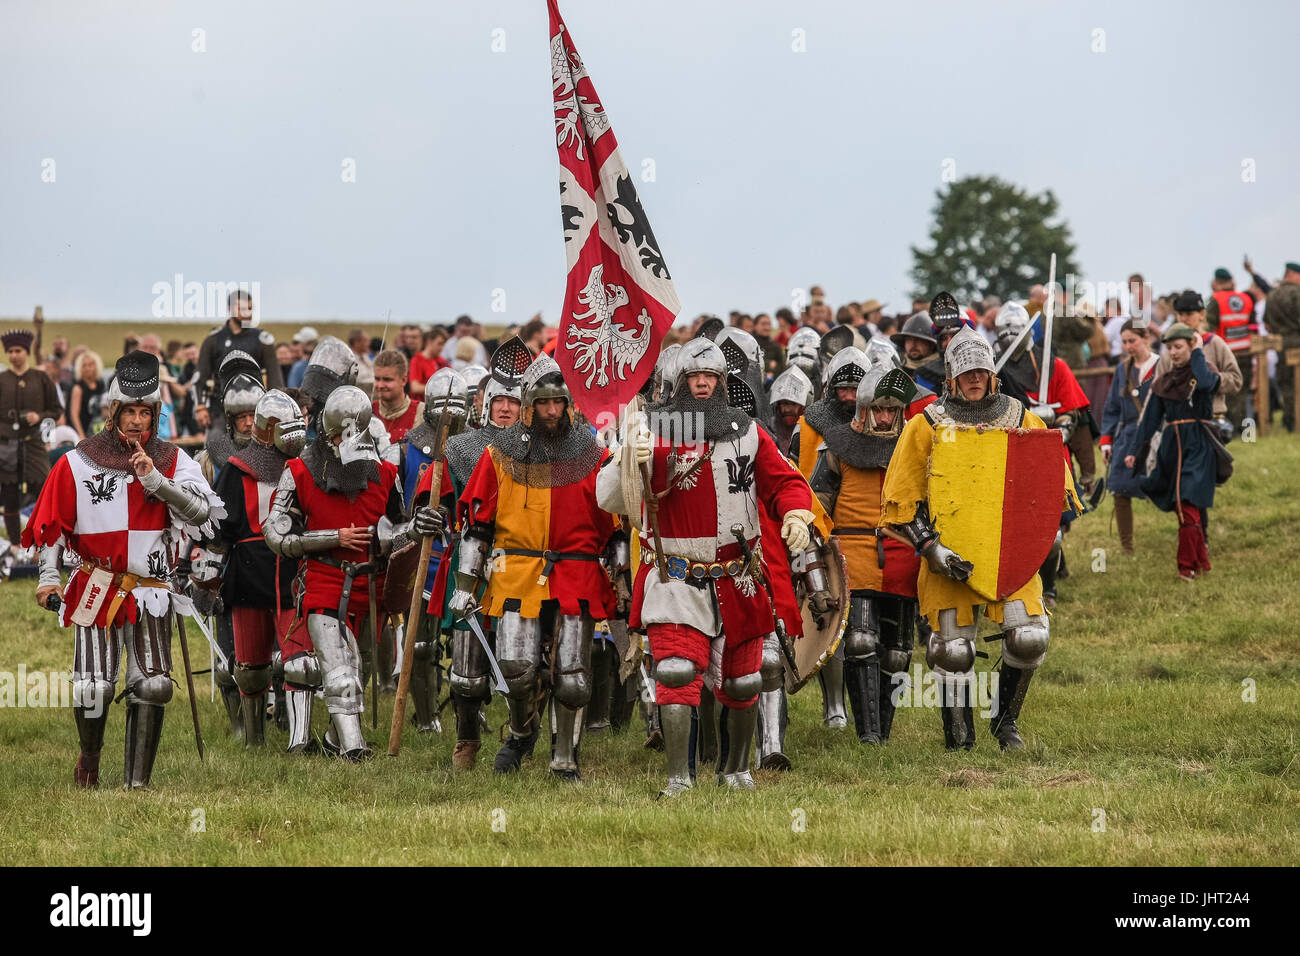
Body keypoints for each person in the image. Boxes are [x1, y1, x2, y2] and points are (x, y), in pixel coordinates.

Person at [596, 338, 815, 794]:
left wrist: (795, 511)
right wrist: (626, 461)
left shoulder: (747, 431)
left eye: (711, 376)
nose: (702, 383)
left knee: (743, 681)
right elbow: (611, 500)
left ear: (722, 382)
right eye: (695, 376)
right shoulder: (649, 430)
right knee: (675, 671)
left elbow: (784, 481)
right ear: (679, 382)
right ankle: (679, 778)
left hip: (738, 578)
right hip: (676, 576)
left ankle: (736, 771)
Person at [24, 351, 224, 788]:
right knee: (92, 688)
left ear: (155, 413)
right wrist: (48, 577)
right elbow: (50, 526)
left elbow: (205, 513)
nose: (137, 421)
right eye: (129, 411)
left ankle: (138, 784)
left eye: (144, 412)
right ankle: (90, 760)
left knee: (152, 686)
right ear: (114, 412)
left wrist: (157, 482)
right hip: (95, 586)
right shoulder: (76, 461)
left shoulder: (172, 459)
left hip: (150, 590)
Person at [882, 328, 1079, 751]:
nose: (975, 379)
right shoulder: (926, 426)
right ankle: (959, 736)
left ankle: (1005, 723)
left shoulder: (1022, 419)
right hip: (948, 553)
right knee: (953, 650)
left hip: (1009, 555)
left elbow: (1046, 490)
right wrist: (931, 548)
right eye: (967, 372)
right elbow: (902, 499)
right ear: (952, 378)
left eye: (982, 372)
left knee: (1030, 637)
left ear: (993, 376)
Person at [449, 354, 620, 781]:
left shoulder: (593, 455)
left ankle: (565, 759)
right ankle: (523, 731)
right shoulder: (499, 455)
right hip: (516, 573)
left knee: (573, 680)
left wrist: (622, 575)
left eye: (557, 403)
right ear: (528, 405)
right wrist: (466, 584)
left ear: (568, 404)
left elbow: (617, 525)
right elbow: (477, 526)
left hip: (575, 573)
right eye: (542, 403)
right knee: (516, 670)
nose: (550, 411)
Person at [264, 386, 440, 759]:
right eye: (334, 434)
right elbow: (275, 534)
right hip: (324, 580)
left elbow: (393, 531)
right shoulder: (299, 471)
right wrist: (332, 537)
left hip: (369, 587)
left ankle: (331, 741)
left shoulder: (384, 473)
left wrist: (418, 526)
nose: (339, 440)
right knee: (342, 676)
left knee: (358, 674)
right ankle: (355, 751)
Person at [811, 365, 922, 744]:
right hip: (854, 553)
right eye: (880, 409)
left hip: (903, 553)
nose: (887, 417)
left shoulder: (914, 444)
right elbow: (817, 506)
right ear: (863, 409)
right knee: (859, 643)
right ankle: (868, 735)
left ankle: (884, 733)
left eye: (893, 410)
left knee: (898, 653)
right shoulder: (837, 445)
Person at [437, 342, 527, 768]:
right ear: (484, 402)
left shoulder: (533, 452)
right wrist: (430, 515)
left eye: (513, 401)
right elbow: (441, 500)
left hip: (516, 559)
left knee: (516, 660)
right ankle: (467, 740)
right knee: (466, 666)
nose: (506, 409)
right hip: (467, 557)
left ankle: (517, 737)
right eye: (499, 401)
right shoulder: (459, 448)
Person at [207, 391, 307, 746]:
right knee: (250, 667)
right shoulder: (238, 469)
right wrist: (207, 580)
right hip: (248, 571)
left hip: (295, 569)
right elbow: (219, 531)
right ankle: (254, 739)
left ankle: (299, 737)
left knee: (300, 662)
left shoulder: (306, 467)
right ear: (267, 431)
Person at [1127, 325, 1219, 581]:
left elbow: (1205, 382)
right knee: (1184, 505)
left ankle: (1186, 567)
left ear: (1192, 345)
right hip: (1172, 448)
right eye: (1169, 348)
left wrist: (1199, 352)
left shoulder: (1205, 371)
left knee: (1188, 502)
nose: (1173, 353)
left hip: (1199, 444)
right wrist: (1137, 452)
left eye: (1179, 347)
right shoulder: (1164, 382)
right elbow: (1150, 422)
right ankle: (1201, 561)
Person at [1099, 319, 1158, 554]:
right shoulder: (1122, 370)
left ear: (1146, 338)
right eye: (1124, 342)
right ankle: (1127, 547)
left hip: (1157, 434)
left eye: (1132, 340)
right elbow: (1112, 408)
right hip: (1129, 435)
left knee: (1172, 489)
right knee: (1120, 490)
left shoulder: (1162, 366)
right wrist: (1106, 440)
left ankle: (1189, 539)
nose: (1128, 346)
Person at [0, 329, 63, 544]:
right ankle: (16, 544)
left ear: (26, 351)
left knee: (44, 492)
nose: (13, 355)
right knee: (9, 496)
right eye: (10, 351)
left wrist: (40, 416)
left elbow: (56, 410)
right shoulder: (2, 380)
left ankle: (44, 542)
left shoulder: (41, 378)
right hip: (7, 445)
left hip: (34, 443)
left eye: (18, 350)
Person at [1155, 292, 1242, 440]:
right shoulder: (1171, 349)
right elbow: (1158, 386)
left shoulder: (1215, 343)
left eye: (1189, 313)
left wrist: (1213, 381)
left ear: (1201, 314)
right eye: (1180, 314)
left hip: (1211, 419)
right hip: (1179, 422)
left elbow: (1236, 380)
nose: (1183, 318)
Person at [194, 291, 283, 427]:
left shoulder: (263, 340)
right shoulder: (213, 340)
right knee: (216, 446)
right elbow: (200, 376)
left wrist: (274, 407)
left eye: (249, 308)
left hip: (256, 411)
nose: (247, 313)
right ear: (230, 309)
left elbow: (275, 378)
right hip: (220, 410)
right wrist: (200, 407)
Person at [1262, 262, 1300, 431]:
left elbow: (1267, 324)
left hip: (1279, 344)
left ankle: (1289, 419)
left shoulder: (1272, 294)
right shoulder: (1297, 293)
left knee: (1286, 383)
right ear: (1291, 274)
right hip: (1297, 342)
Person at [371, 349, 423, 443]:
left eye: (387, 380)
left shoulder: (422, 413)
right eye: (377, 379)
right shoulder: (368, 412)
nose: (380, 385)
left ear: (403, 380)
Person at [892, 312, 945, 393]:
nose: (913, 345)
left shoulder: (943, 374)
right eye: (909, 339)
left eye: (919, 340)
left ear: (931, 344)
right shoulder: (896, 370)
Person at [71, 351, 108, 441]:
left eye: (91, 365)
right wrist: (81, 435)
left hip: (98, 428)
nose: (88, 368)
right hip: (85, 429)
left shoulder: (101, 384)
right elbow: (74, 415)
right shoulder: (78, 388)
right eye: (84, 366)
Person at [408, 328, 449, 398]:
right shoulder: (417, 360)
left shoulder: (442, 361)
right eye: (439, 344)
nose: (442, 348)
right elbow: (415, 387)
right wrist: (439, 389)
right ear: (429, 342)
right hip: (422, 405)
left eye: (443, 344)